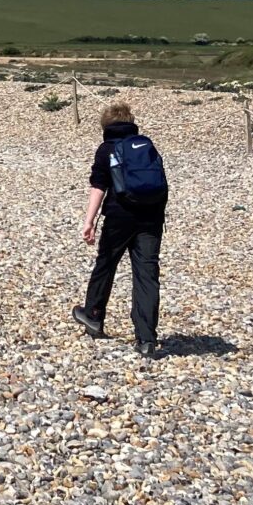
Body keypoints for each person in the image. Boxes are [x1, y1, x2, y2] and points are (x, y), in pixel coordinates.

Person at [72, 100, 169, 358]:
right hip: (151, 218)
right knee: (146, 276)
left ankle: (94, 314)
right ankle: (146, 338)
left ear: (106, 125)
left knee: (106, 263)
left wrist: (89, 221)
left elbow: (98, 186)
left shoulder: (106, 149)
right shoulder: (146, 146)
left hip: (119, 216)